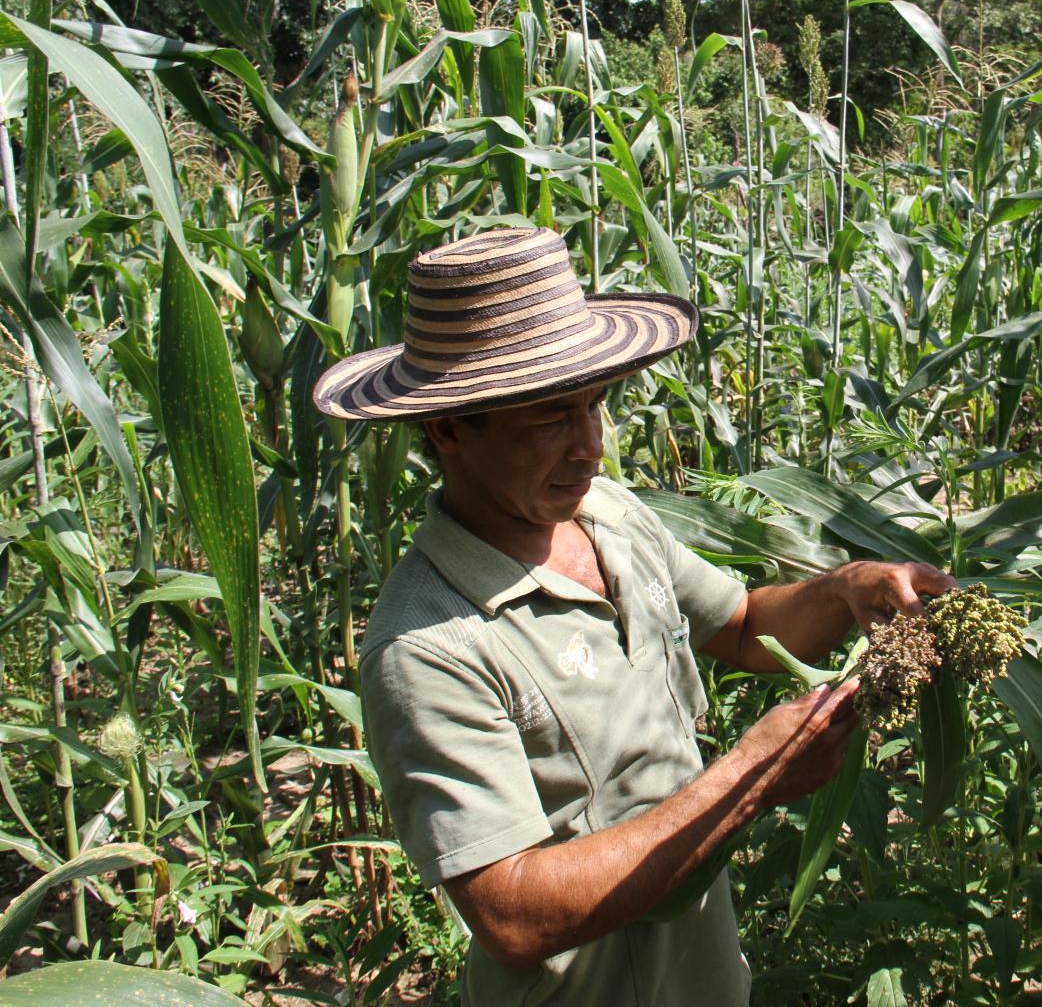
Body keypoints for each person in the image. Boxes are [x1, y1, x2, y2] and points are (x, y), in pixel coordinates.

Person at [311, 226, 955, 1005]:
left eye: (596, 405)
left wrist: (847, 589)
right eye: (549, 417)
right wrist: (750, 775)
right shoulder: (429, 646)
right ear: (448, 428)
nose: (591, 446)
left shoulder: (607, 515)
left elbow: (744, 626)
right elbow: (510, 914)